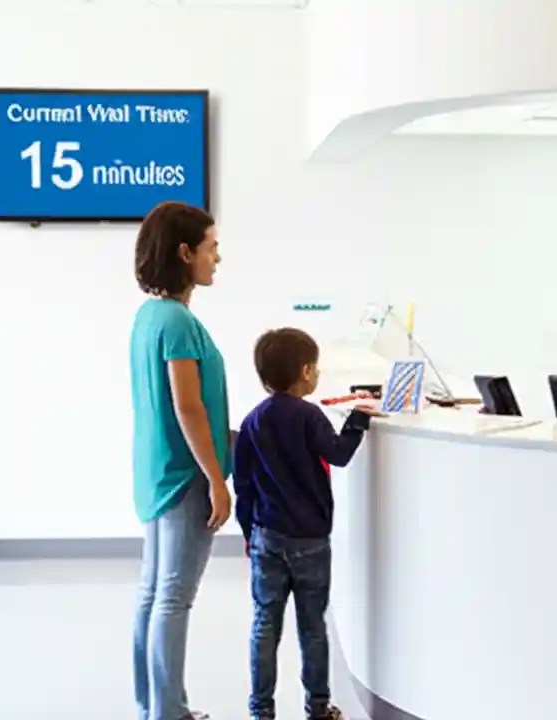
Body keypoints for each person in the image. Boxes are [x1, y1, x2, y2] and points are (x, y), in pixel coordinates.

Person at [233, 327, 378, 720]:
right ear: (306, 371)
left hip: (266, 536)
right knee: (312, 626)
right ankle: (317, 708)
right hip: (311, 540)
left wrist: (249, 534)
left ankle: (260, 710)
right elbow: (339, 453)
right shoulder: (309, 415)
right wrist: (357, 421)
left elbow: (243, 485)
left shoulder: (253, 421)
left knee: (265, 624)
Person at [130, 201, 231, 720]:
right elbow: (187, 404)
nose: (218, 258)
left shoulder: (151, 316)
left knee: (153, 593)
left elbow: (191, 407)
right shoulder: (177, 321)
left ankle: (156, 706)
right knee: (173, 598)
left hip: (157, 471)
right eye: (211, 247)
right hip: (184, 477)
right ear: (185, 252)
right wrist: (217, 478)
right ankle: (168, 714)